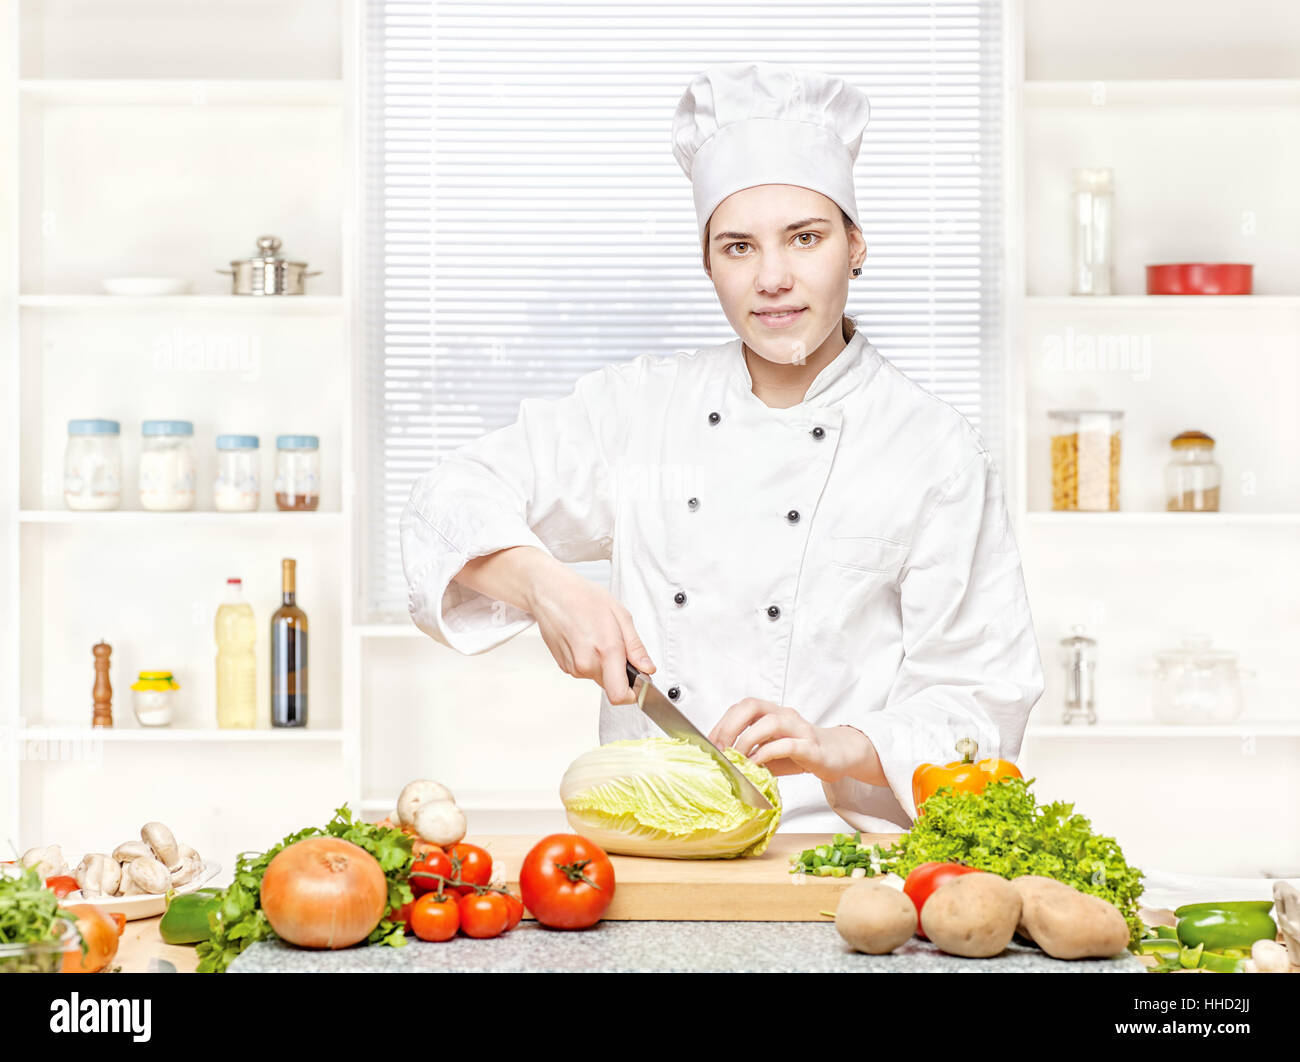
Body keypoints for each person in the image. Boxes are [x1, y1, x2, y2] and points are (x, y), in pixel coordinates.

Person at [401, 61, 1044, 834]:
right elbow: (449, 499)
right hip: (643, 844)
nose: (772, 277)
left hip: (835, 855)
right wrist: (546, 586)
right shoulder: (639, 411)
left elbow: (979, 699)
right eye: (738, 247)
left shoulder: (933, 450)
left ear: (856, 245)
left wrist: (835, 745)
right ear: (708, 263)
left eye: (804, 239)